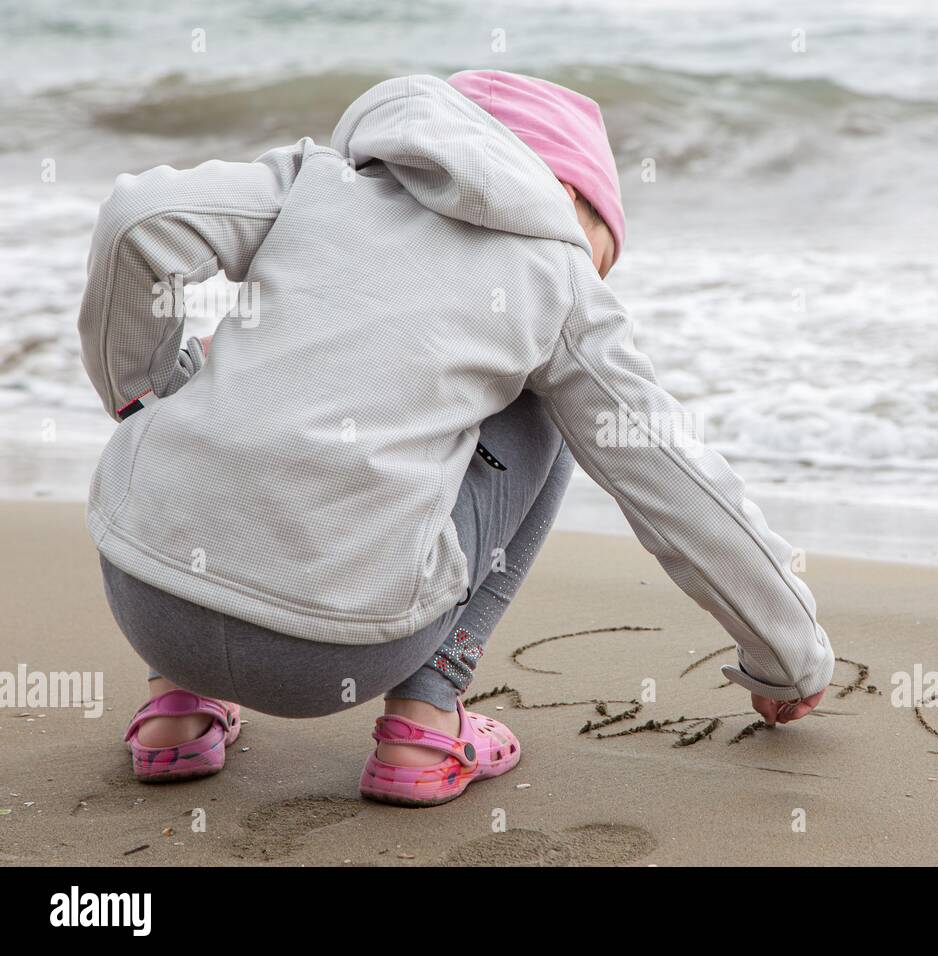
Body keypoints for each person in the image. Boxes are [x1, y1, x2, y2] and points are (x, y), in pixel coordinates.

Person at [79, 70, 832, 807]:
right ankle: (426, 722)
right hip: (340, 647)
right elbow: (672, 477)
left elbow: (139, 219)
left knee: (244, 368)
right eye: (605, 247)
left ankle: (177, 712)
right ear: (568, 197)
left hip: (146, 594)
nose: (599, 273)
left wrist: (144, 392)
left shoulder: (317, 182)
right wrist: (788, 658)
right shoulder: (556, 278)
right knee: (552, 408)